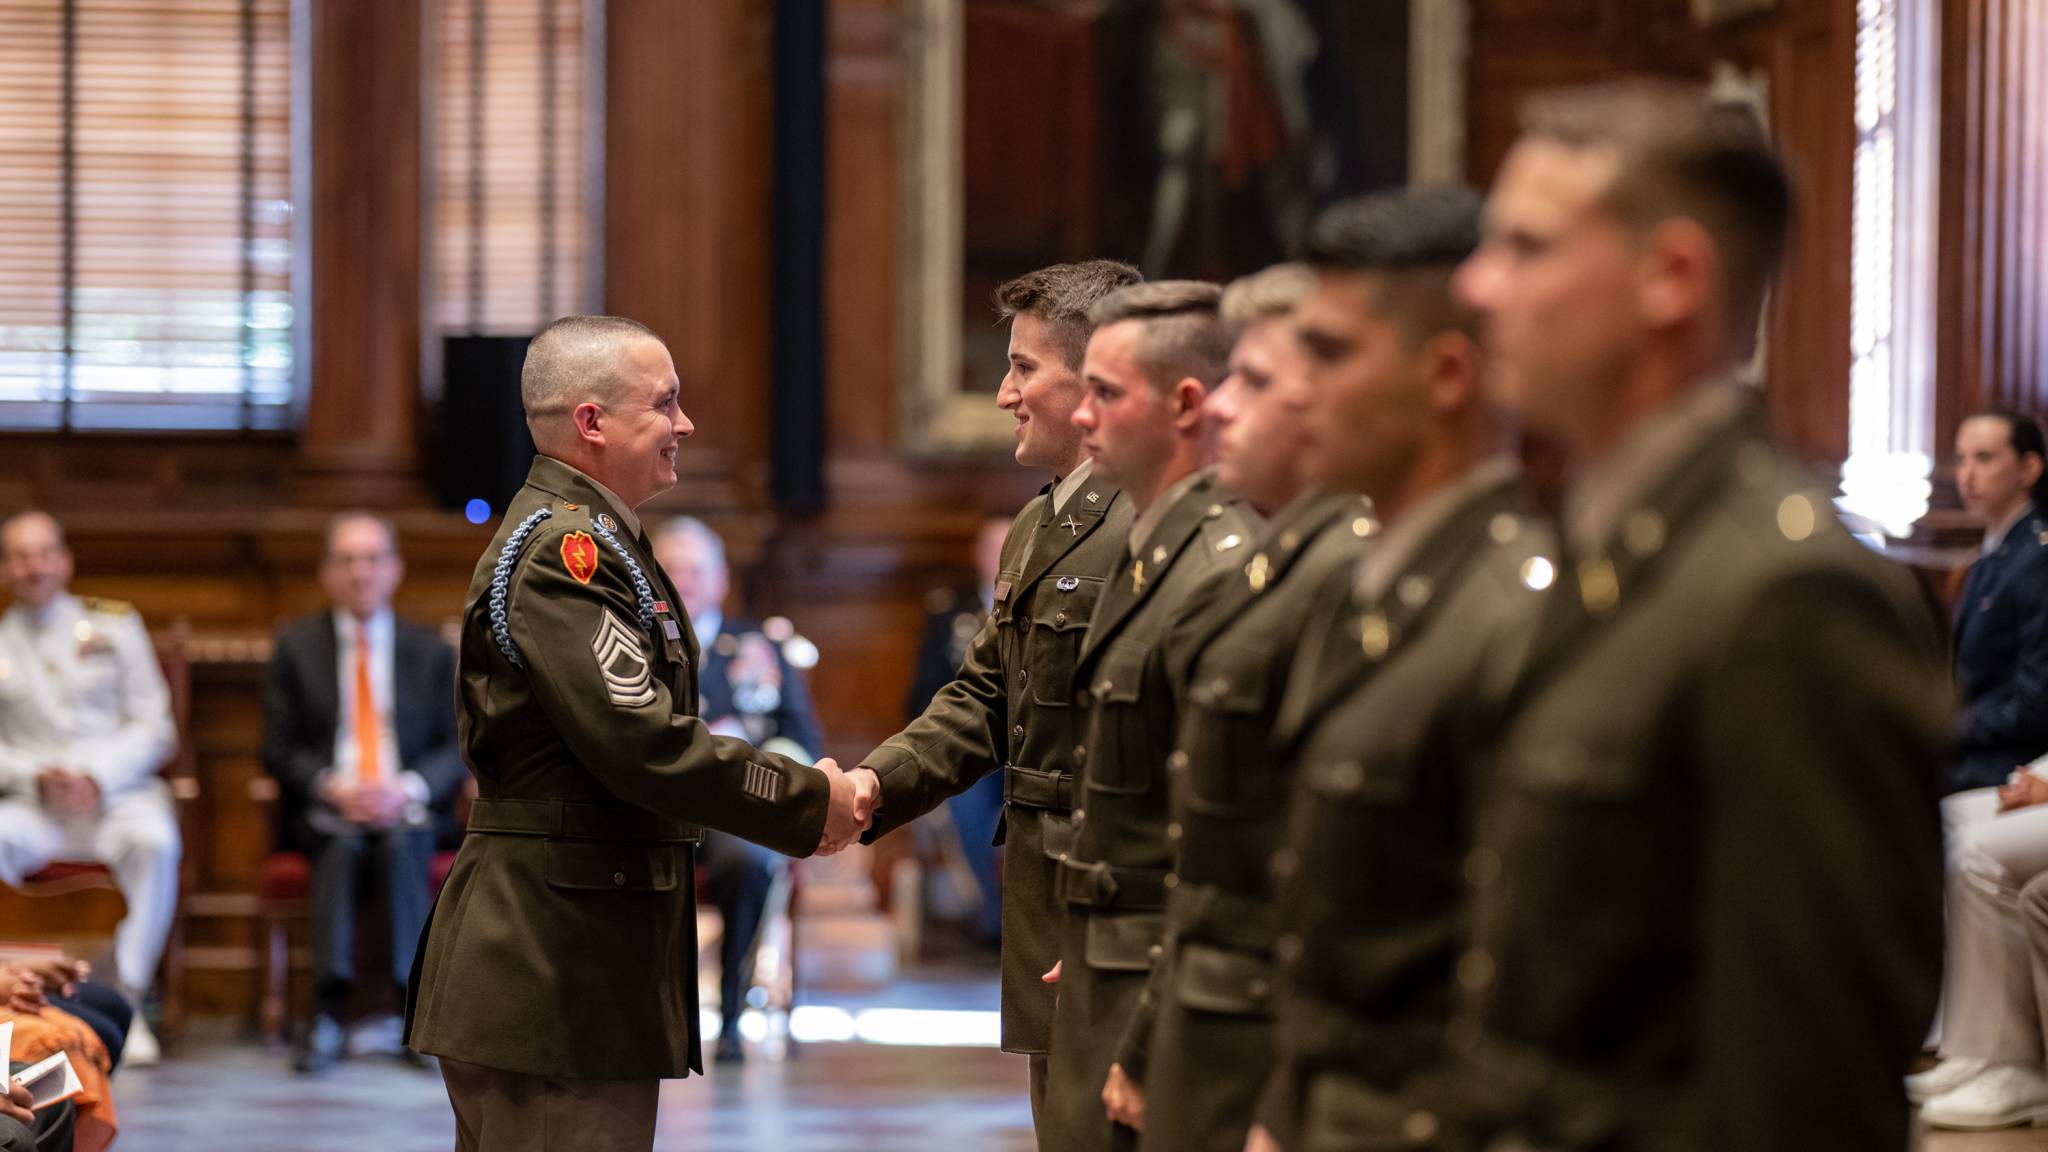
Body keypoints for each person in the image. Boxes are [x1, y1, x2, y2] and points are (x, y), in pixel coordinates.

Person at [1428, 80, 1947, 1149]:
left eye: (1525, 248)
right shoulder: (1599, 553)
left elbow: (1806, 1096)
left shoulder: (1787, 598)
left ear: (1670, 277)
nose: (1476, 288)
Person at [403, 314, 874, 1152]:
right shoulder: (565, 554)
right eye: (666, 404)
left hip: (578, 959)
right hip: (552, 968)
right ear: (592, 423)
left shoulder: (605, 541)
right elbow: (645, 743)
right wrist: (807, 799)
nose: (685, 425)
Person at [1235, 187, 1549, 1152]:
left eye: (1329, 354)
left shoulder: (1523, 611)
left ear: (1446, 372)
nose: (1297, 388)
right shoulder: (1360, 590)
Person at [847, 260, 1142, 1137]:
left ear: (1093, 383)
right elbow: (983, 695)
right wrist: (870, 789)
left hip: (1105, 901)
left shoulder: (1149, 519)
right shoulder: (1040, 522)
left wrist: (1132, 921)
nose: (1006, 393)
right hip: (1052, 900)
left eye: (1023, 368)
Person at [1096, 260, 1372, 1151]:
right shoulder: (1267, 570)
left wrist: (1285, 1105)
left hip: (1264, 1049)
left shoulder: (1335, 580)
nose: (1222, 406)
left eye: (1254, 382)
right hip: (1199, 1019)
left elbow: (1312, 882)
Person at [1042, 279, 1259, 1152]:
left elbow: (1218, 836)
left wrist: (1150, 1015)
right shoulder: (1145, 546)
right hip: (1110, 957)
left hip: (1158, 983)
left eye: (1104, 393)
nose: (1081, 417)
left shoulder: (1213, 566)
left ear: (1185, 404)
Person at [261, 510, 466, 1072]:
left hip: (407, 807)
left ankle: (412, 1010)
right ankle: (327, 1011)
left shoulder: (428, 650)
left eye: (372, 559)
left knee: (403, 842)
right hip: (330, 810)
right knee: (342, 844)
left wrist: (407, 788)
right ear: (327, 573)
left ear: (394, 570)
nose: (360, 573)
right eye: (347, 560)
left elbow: (457, 747)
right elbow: (277, 750)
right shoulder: (296, 647)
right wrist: (332, 787)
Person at [0, 510, 178, 1067]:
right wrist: (33, 776)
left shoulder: (116, 626)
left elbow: (156, 726)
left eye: (43, 553)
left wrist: (99, 776)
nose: (34, 567)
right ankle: (20, 998)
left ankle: (124, 996)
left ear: (65, 560)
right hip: (35, 806)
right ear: (5, 568)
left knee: (155, 843)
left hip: (116, 801)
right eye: (19, 556)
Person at [649, 515, 824, 1064]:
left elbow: (802, 738)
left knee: (749, 864)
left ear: (721, 579)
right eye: (672, 569)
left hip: (730, 813)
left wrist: (745, 750)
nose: (686, 580)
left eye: (696, 569)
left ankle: (729, 1016)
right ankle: (645, 1013)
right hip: (650, 808)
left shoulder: (757, 647)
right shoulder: (634, 641)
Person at [903, 513, 1013, 947]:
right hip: (968, 744)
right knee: (965, 807)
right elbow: (922, 690)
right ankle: (991, 916)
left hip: (1027, 750)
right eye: (993, 550)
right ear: (977, 556)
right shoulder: (948, 612)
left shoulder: (1045, 605)